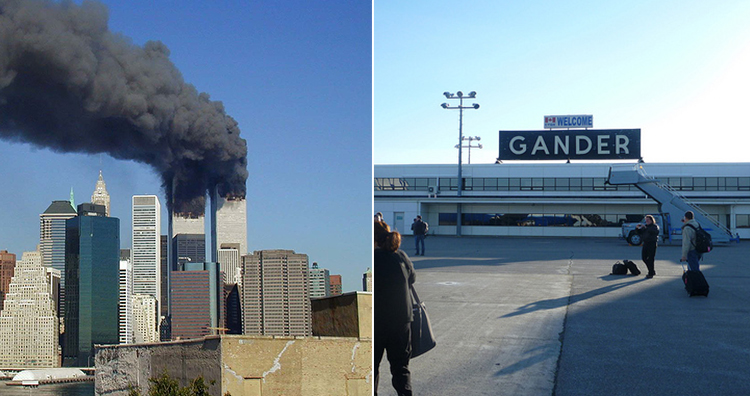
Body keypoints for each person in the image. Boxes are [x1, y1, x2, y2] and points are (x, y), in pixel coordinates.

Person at [374, 220, 415, 396]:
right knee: (401, 368)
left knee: (371, 367)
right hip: (401, 320)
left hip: (377, 321)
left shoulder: (374, 258)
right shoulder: (401, 257)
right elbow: (412, 279)